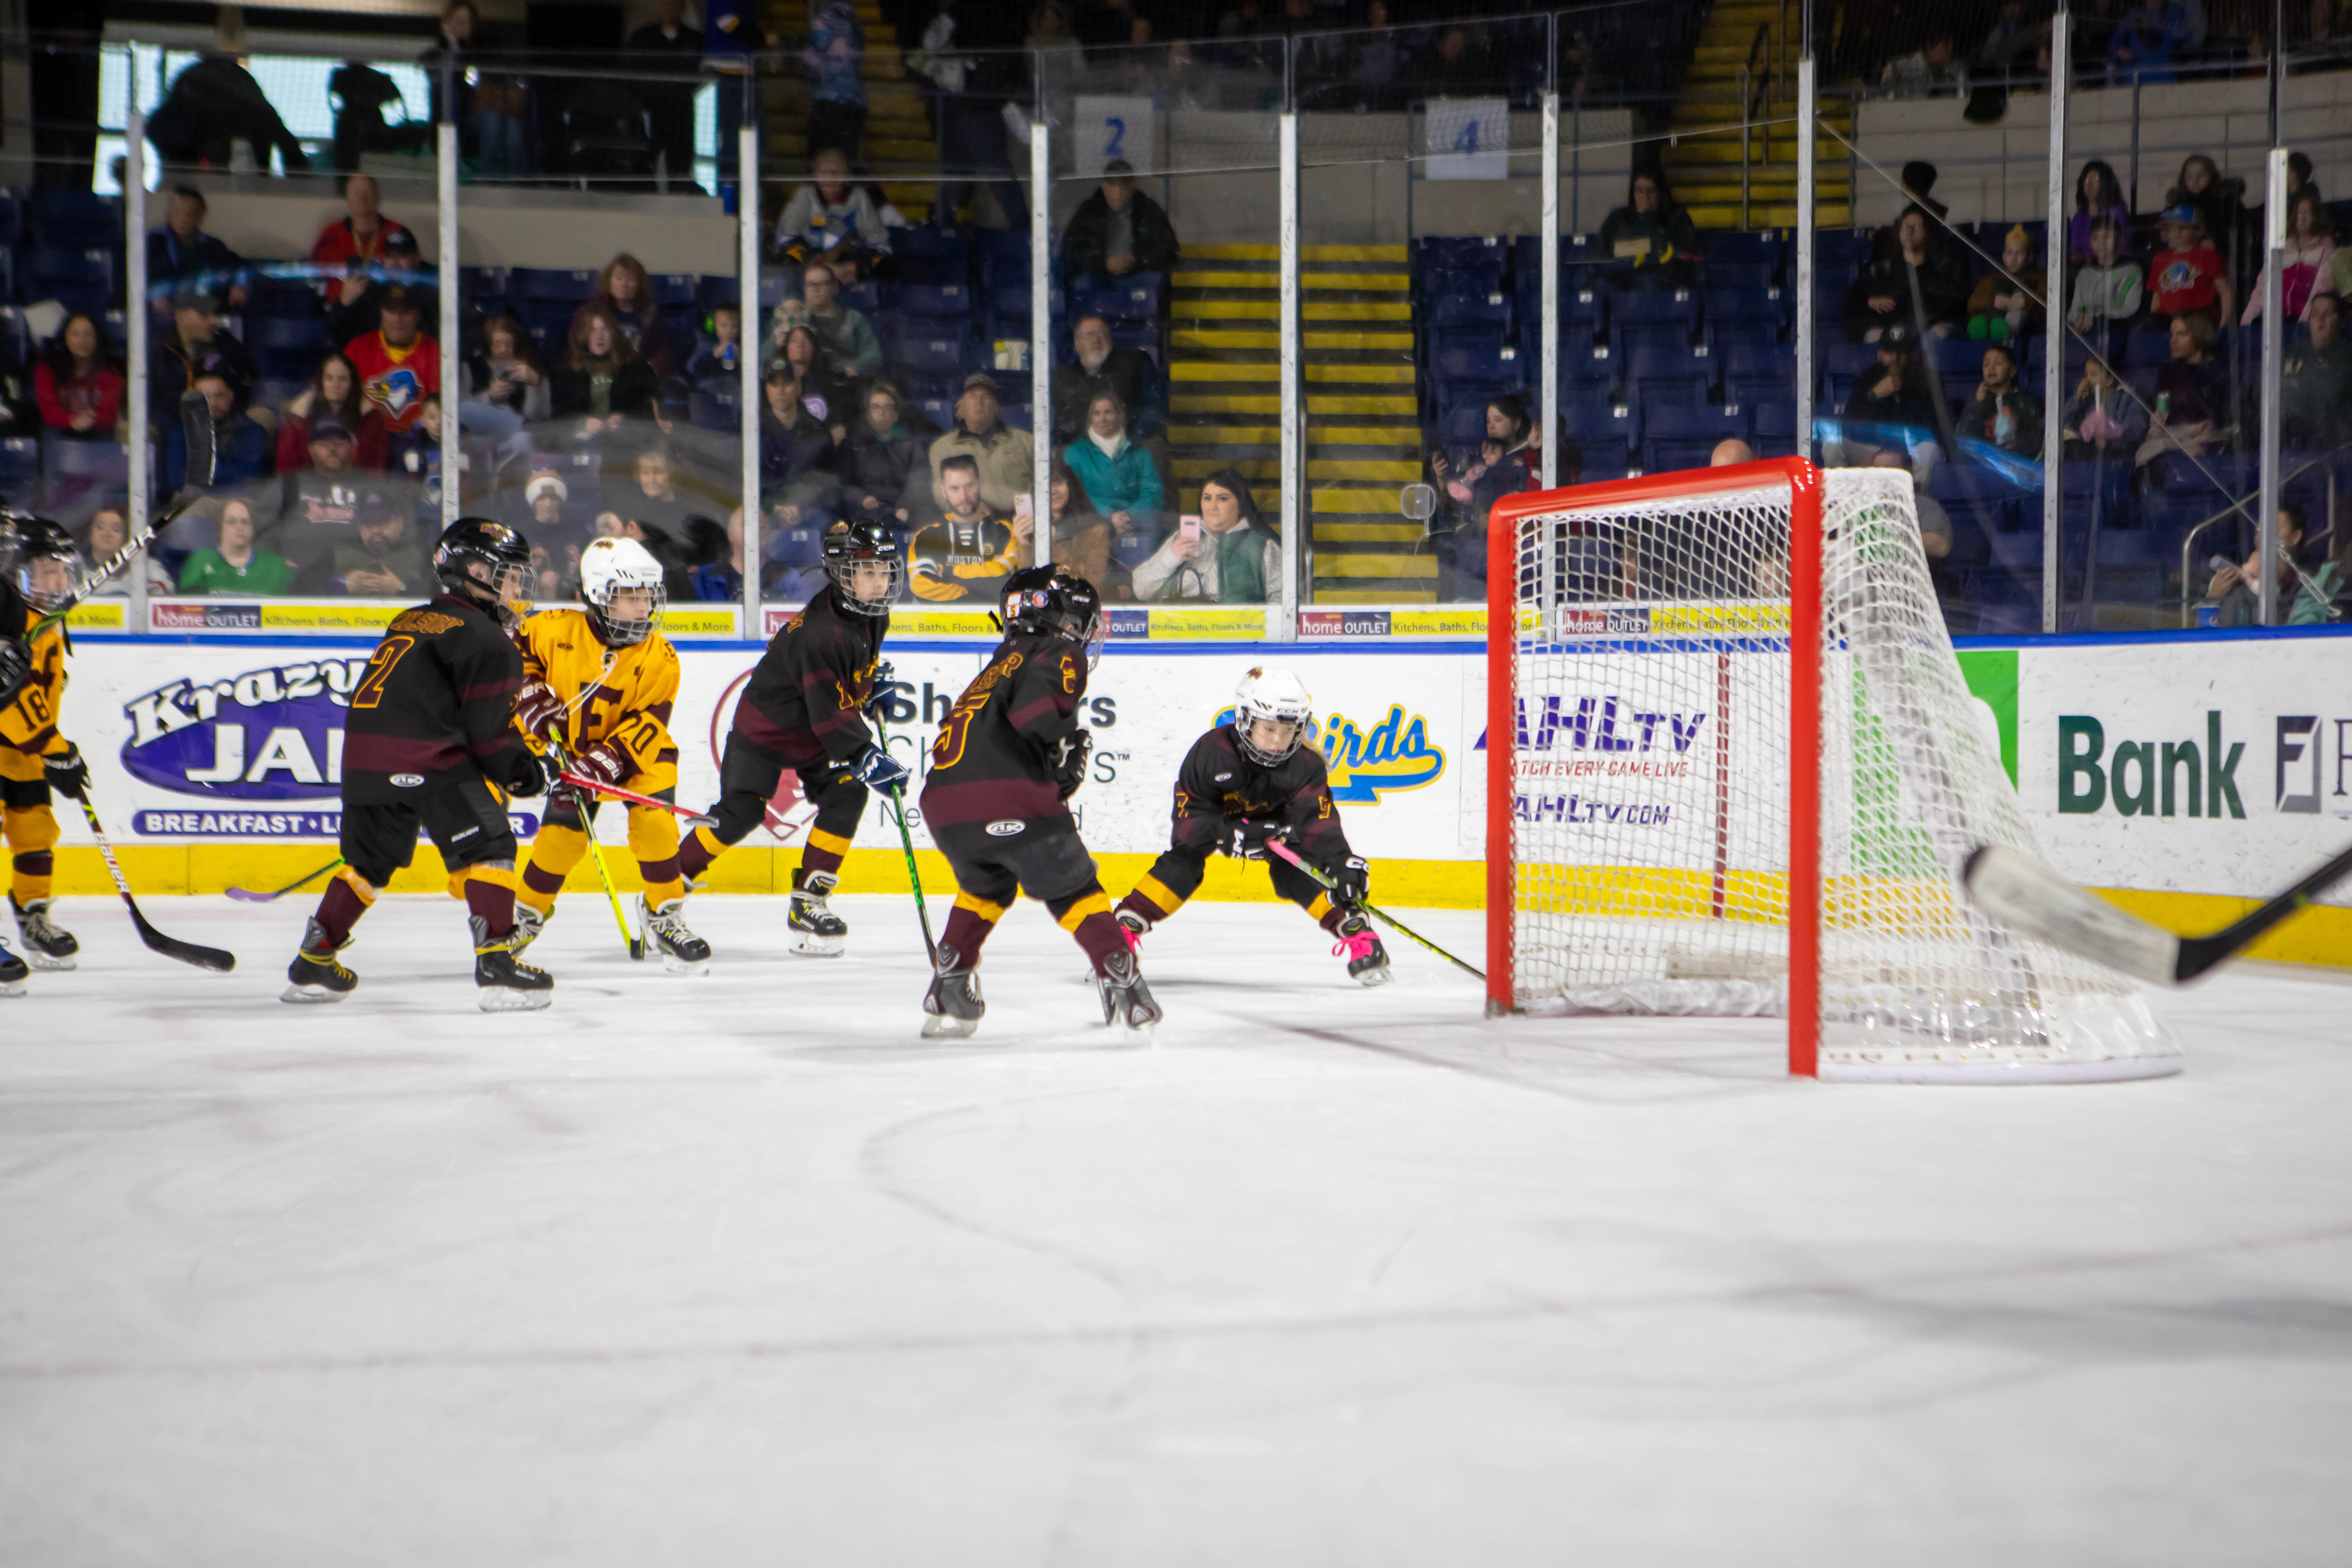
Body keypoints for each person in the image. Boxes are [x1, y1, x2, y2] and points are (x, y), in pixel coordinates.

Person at [283, 519, 556, 1007]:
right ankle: (498, 965)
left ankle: (314, 961)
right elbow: (490, 737)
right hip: (428, 760)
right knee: (492, 847)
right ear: (475, 573)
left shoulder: (409, 619)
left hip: (364, 761)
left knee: (369, 865)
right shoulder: (489, 640)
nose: (518, 589)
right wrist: (529, 774)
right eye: (510, 576)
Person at [918, 565, 1152, 1035]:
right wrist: (1062, 750)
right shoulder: (1060, 652)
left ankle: (951, 977)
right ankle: (1125, 981)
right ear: (1061, 620)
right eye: (1080, 623)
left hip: (944, 805)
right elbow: (1037, 720)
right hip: (1006, 796)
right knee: (1074, 885)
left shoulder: (1001, 661)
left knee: (987, 886)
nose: (1083, 635)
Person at [676, 519, 907, 956]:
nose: (880, 582)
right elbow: (829, 711)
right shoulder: (820, 633)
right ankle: (666, 889)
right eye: (868, 572)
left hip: (813, 734)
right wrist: (865, 755)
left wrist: (870, 683)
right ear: (842, 574)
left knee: (847, 794)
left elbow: (849, 677)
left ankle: (809, 902)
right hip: (768, 730)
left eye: (884, 571)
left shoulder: (873, 614)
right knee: (741, 812)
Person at [1113, 665, 1389, 986]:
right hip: (1222, 823)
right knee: (1184, 862)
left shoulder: (1305, 766)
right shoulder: (1211, 753)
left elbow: (1319, 824)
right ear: (1246, 719)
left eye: (1288, 730)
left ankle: (1356, 931)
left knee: (1293, 870)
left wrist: (1341, 865)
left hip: (1280, 833)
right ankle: (1120, 935)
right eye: (1269, 729)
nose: (1279, 741)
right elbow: (1187, 827)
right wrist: (1226, 833)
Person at [510, 536, 709, 966]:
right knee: (560, 839)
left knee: (655, 827)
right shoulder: (552, 628)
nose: (644, 607)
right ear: (598, 596)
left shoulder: (662, 658)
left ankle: (664, 915)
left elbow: (648, 725)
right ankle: (524, 917)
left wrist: (602, 765)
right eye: (630, 597)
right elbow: (513, 654)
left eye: (648, 596)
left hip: (638, 755)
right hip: (572, 751)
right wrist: (529, 692)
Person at [0, 516, 92, 972]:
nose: (57, 583)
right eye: (46, 572)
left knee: (35, 832)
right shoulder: (15, 624)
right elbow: (12, 701)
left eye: (62, 572)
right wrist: (57, 750)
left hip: (25, 756)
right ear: (18, 574)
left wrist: (52, 752)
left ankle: (34, 916)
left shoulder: (49, 624)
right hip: (12, 745)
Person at [145, 43, 310, 174]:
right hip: (205, 146)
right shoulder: (234, 78)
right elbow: (271, 121)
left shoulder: (198, 76)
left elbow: (268, 121)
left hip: (208, 148)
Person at [1131, 467, 1280, 604]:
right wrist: (1170, 558)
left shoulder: (1262, 546)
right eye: (1207, 498)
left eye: (1223, 499)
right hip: (1181, 623)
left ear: (1240, 505)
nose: (1213, 507)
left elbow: (1282, 601)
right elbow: (1141, 590)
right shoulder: (1181, 539)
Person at [422, 0, 529, 178]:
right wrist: (453, 46)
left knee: (512, 126)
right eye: (456, 20)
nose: (461, 25)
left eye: (466, 21)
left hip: (485, 108)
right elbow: (443, 78)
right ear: (446, 23)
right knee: (491, 121)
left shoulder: (486, 50)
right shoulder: (436, 53)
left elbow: (501, 79)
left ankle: (515, 183)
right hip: (455, 116)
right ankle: (484, 179)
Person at [1844, 206, 1970, 342]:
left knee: (1937, 334)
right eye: (1905, 227)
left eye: (1915, 227)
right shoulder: (1881, 270)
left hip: (1930, 331)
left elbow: (1959, 303)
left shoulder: (1943, 269)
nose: (1909, 232)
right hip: (1891, 331)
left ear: (1927, 232)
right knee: (1876, 337)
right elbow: (1849, 303)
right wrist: (1869, 302)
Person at [2204, 504, 2337, 626]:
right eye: (2258, 531)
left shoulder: (2311, 585)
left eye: (2273, 529)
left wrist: (2256, 587)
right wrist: (2213, 599)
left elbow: (2287, 633)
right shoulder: (2236, 585)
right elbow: (2211, 635)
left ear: (2295, 537)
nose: (2262, 537)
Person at [912, 454, 1020, 600]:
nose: (963, 497)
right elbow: (921, 587)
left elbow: (1003, 580)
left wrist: (946, 573)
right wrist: (983, 583)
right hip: (943, 617)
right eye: (955, 489)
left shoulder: (1006, 531)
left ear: (980, 485)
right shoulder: (926, 536)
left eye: (969, 487)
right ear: (944, 491)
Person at [1839, 325, 1944, 476]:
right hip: (1872, 447)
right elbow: (1849, 425)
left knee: (1928, 450)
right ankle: (1839, 489)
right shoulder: (1868, 378)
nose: (1895, 358)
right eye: (1889, 352)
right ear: (1880, 355)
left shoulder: (1926, 380)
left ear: (1912, 355)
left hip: (1912, 448)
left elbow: (1934, 428)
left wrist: (1906, 390)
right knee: (1832, 447)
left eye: (1902, 352)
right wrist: (1874, 395)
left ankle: (1918, 491)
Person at [927, 373, 1036, 515]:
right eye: (972, 397)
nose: (979, 403)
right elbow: (941, 495)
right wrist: (970, 510)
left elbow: (1047, 484)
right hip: (973, 521)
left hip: (1022, 520)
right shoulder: (943, 448)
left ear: (997, 407)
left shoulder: (1026, 441)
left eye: (986, 397)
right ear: (960, 406)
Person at [1051, 313, 1168, 444]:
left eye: (1102, 334)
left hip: (1129, 447)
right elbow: (1062, 424)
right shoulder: (1065, 377)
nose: (1096, 340)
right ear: (1077, 344)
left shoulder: (1136, 363)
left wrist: (1124, 440)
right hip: (1081, 450)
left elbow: (1155, 411)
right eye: (1090, 335)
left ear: (1110, 339)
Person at [1059, 159, 1180, 282]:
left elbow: (1170, 251)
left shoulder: (1149, 211)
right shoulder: (1089, 212)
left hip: (1141, 283)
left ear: (1133, 184)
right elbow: (1070, 253)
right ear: (1104, 185)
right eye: (1112, 184)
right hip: (1096, 284)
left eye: (1124, 184)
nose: (1118, 191)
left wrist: (1137, 260)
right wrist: (1103, 263)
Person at [343, 284, 441, 436]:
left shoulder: (434, 351)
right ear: (382, 313)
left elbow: (438, 405)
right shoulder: (359, 348)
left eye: (405, 312)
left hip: (417, 436)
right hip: (366, 435)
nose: (398, 319)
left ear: (416, 316)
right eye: (391, 311)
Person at [628, 0, 705, 187]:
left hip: (681, 111)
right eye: (665, 5)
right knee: (646, 161)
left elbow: (700, 71)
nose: (669, 9)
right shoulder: (643, 38)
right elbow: (629, 70)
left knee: (680, 163)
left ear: (682, 9)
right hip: (650, 110)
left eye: (674, 5)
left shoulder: (695, 39)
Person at [758, 366, 841, 537]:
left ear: (798, 388)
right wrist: (773, 506)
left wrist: (802, 507)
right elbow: (742, 481)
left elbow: (831, 483)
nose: (781, 391)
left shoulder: (819, 432)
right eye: (774, 384)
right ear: (767, 389)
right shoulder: (754, 431)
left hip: (809, 513)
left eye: (787, 384)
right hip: (766, 513)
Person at [2139, 309, 2227, 466]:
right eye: (2172, 335)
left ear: (2200, 336)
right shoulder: (2168, 373)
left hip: (2208, 439)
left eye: (2181, 335)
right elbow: (2162, 408)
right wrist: (2160, 418)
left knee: (2190, 456)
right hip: (2174, 435)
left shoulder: (2219, 372)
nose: (2173, 341)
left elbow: (2222, 420)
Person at [549, 310, 660, 434]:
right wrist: (582, 424)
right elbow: (558, 415)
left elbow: (650, 408)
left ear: (614, 335)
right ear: (585, 336)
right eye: (593, 331)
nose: (599, 336)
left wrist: (626, 419)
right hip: (581, 441)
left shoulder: (635, 367)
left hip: (625, 439)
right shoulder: (570, 370)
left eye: (605, 330)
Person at [151, 292, 256, 422]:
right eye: (204, 315)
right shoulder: (156, 349)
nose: (214, 321)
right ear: (180, 316)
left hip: (223, 424)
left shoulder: (229, 346)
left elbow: (244, 392)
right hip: (170, 425)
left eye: (215, 314)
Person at [1061, 390, 1162, 524]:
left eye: (1108, 412)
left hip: (1136, 522)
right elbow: (1074, 497)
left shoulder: (1140, 453)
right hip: (1093, 523)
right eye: (1097, 413)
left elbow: (1154, 494)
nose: (1103, 419)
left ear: (1120, 416)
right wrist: (1110, 515)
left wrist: (1128, 515)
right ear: (1091, 419)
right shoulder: (1075, 454)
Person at [279, 352, 390, 473]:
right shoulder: (298, 420)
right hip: (310, 483)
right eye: (329, 378)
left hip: (358, 483)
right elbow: (287, 471)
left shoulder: (372, 419)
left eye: (343, 379)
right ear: (321, 382)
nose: (336, 385)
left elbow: (376, 469)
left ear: (352, 383)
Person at [574, 255, 679, 379]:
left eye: (631, 280)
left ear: (640, 284)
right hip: (603, 372)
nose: (624, 285)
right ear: (609, 281)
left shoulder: (649, 314)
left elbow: (663, 351)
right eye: (619, 278)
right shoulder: (593, 312)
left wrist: (650, 368)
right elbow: (578, 345)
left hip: (639, 376)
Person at [2242, 189, 2338, 325]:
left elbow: (2322, 286)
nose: (2303, 217)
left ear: (2316, 217)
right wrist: (2247, 321)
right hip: (2275, 321)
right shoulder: (2282, 247)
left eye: (2307, 213)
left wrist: (2305, 320)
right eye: (2299, 213)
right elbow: (2262, 286)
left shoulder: (2326, 246)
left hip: (2303, 321)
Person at [323, 226, 431, 347]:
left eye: (403, 256)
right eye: (390, 256)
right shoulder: (371, 289)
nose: (395, 263)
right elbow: (334, 337)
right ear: (383, 260)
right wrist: (343, 304)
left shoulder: (431, 286)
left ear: (417, 257)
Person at [167, 371, 274, 493]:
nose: (213, 403)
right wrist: (229, 471)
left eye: (219, 396)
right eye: (205, 398)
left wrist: (201, 472)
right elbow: (177, 480)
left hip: (241, 498)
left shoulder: (252, 430)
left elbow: (250, 476)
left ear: (230, 396)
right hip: (196, 500)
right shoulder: (181, 433)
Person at [146, 188, 247, 315]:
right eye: (178, 212)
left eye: (189, 215)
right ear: (169, 213)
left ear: (200, 217)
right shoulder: (155, 243)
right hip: (172, 312)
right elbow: (146, 278)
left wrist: (240, 286)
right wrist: (157, 297)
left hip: (207, 310)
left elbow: (239, 267)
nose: (183, 219)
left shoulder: (213, 246)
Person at [838, 380, 925, 526]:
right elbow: (845, 483)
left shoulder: (911, 444)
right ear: (867, 414)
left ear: (896, 415)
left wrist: (905, 505)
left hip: (905, 509)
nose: (881, 414)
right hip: (868, 510)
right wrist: (862, 498)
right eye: (875, 408)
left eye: (888, 408)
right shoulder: (855, 445)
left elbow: (920, 478)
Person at [1598, 170, 1699, 292]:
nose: (1645, 197)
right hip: (1624, 280)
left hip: (1664, 282)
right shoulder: (1617, 219)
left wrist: (1665, 255)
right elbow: (1601, 253)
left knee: (1649, 282)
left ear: (1661, 193)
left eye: (1651, 192)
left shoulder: (1678, 219)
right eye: (1640, 191)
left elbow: (1688, 256)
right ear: (1633, 193)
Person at [33, 314, 124, 441]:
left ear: (97, 339)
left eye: (89, 335)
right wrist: (73, 421)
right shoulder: (47, 368)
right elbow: (48, 412)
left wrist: (92, 419)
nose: (82, 341)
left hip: (98, 436)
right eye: (75, 334)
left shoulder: (111, 371)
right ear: (65, 338)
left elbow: (109, 415)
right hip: (58, 435)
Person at [309, 174, 414, 283]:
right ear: (348, 199)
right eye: (356, 193)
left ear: (377, 197)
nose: (362, 198)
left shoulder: (399, 233)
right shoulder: (331, 234)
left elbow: (413, 278)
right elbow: (314, 279)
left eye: (367, 192)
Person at [178, 496, 295, 595]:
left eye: (245, 522)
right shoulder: (201, 561)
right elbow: (190, 609)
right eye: (231, 522)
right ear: (220, 528)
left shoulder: (276, 566)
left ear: (253, 529)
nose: (239, 527)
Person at [2281, 291, 2351, 448]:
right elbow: (2263, 392)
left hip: (2329, 444)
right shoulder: (2293, 352)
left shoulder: (2348, 355)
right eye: (2315, 314)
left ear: (2342, 321)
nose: (2320, 319)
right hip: (2285, 439)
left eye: (2328, 314)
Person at [802, 0, 870, 162]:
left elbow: (821, 64)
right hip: (853, 100)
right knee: (847, 162)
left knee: (825, 164)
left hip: (831, 101)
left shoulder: (826, 20)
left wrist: (796, 51)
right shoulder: (851, 17)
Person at [2147, 202, 2235, 325]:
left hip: (2199, 321)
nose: (2178, 232)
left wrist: (2224, 324)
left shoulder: (2208, 256)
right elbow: (2157, 297)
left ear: (2199, 230)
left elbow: (2225, 292)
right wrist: (2155, 323)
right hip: (2167, 322)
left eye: (2184, 227)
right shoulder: (2160, 260)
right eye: (2173, 228)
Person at [461, 316, 552, 431]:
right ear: (489, 343)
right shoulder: (473, 368)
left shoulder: (530, 368)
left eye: (509, 344)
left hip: (521, 433)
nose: (503, 350)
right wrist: (489, 396)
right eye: (498, 344)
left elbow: (540, 417)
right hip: (482, 435)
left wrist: (534, 383)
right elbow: (461, 410)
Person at [2068, 215, 2144, 352]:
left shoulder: (2132, 272)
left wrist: (2096, 317)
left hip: (2118, 338)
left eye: (2107, 237)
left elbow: (2130, 310)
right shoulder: (2084, 274)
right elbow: (2075, 308)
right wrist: (2078, 317)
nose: (2101, 243)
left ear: (2120, 239)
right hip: (2087, 338)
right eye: (2095, 238)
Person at [321, 498, 428, 596]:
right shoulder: (336, 555)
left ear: (400, 523)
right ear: (360, 528)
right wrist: (344, 586)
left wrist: (400, 589)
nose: (376, 530)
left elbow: (432, 594)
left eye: (384, 521)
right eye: (369, 523)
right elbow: (314, 591)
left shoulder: (422, 557)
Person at [798, 262, 884, 383]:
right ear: (805, 289)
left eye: (823, 284)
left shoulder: (854, 319)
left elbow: (874, 356)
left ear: (835, 287)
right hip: (809, 383)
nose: (816, 290)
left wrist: (854, 369)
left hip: (848, 383)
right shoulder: (799, 321)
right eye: (811, 285)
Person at [1957, 343, 2043, 458]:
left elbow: (2036, 439)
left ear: (2012, 371)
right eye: (1987, 365)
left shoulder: (2026, 401)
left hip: (2017, 463)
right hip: (1984, 464)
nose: (1991, 368)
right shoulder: (1976, 402)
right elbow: (1964, 440)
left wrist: (2017, 445)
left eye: (1998, 364)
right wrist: (1977, 405)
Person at [1965, 225, 2046, 343]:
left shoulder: (2040, 277)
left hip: (2022, 326)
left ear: (2030, 258)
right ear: (2003, 257)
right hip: (1992, 317)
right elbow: (1973, 303)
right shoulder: (1991, 278)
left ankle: (2004, 333)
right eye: (2010, 254)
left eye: (2019, 254)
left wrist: (2025, 301)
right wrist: (1993, 301)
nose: (2014, 259)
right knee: (1980, 320)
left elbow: (2048, 303)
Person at [2061, 355, 2150, 459]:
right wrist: (2077, 399)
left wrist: (2111, 443)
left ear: (2109, 380)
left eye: (2093, 375)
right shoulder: (2087, 403)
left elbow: (2135, 433)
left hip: (2116, 460)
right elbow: (2061, 424)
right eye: (2087, 375)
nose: (2087, 380)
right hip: (2087, 460)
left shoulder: (2129, 401)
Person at [78, 506, 172, 599]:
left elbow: (163, 603)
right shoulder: (76, 572)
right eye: (100, 527)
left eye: (116, 529)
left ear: (127, 536)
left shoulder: (148, 569)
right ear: (89, 533)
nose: (107, 534)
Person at [1046, 457, 1112, 587]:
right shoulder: (1031, 527)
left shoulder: (1096, 529)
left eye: (1058, 483)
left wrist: (1054, 548)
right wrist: (1025, 545)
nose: (1053, 491)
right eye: (1046, 485)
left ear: (1070, 487)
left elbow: (1094, 579)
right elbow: (1022, 580)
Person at [2068, 160, 2133, 265]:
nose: (2089, 185)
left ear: (2105, 184)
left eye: (2095, 180)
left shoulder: (2116, 212)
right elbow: (2075, 250)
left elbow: (2121, 246)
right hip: (2087, 269)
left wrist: (2094, 258)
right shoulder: (2079, 218)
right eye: (2086, 180)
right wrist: (2077, 257)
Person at [1881, 31, 1966, 97]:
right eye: (1946, 46)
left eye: (1951, 46)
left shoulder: (1953, 69)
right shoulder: (1900, 65)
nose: (1950, 51)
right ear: (1930, 46)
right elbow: (1883, 94)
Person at [685, 305, 744, 383]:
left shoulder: (744, 346)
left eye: (734, 326)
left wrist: (742, 359)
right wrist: (714, 355)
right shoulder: (705, 344)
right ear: (714, 326)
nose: (729, 331)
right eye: (724, 326)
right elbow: (693, 370)